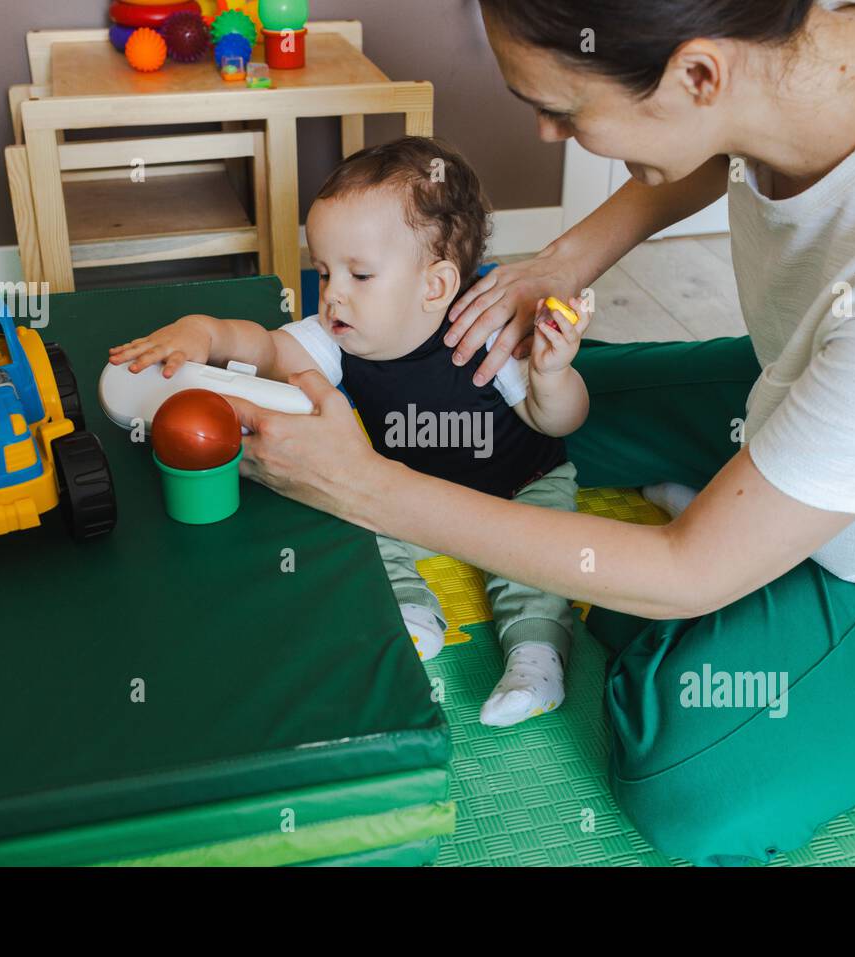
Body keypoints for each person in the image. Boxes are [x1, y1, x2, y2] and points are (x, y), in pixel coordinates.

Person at [219, 0, 855, 864]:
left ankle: (731, 573)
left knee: (686, 781)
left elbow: (688, 569)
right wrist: (561, 263)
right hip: (817, 387)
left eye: (560, 107)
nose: (548, 133)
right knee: (509, 412)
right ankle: (727, 511)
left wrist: (366, 485)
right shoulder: (802, 50)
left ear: (697, 74)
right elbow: (715, 151)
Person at [110, 137, 595, 728]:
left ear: (435, 286)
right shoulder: (333, 336)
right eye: (323, 271)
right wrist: (202, 331)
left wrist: (551, 374)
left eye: (359, 274)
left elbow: (560, 421)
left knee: (538, 560)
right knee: (349, 520)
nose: (333, 292)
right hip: (403, 497)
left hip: (520, 485)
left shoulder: (487, 329)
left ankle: (536, 659)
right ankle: (410, 614)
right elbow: (263, 347)